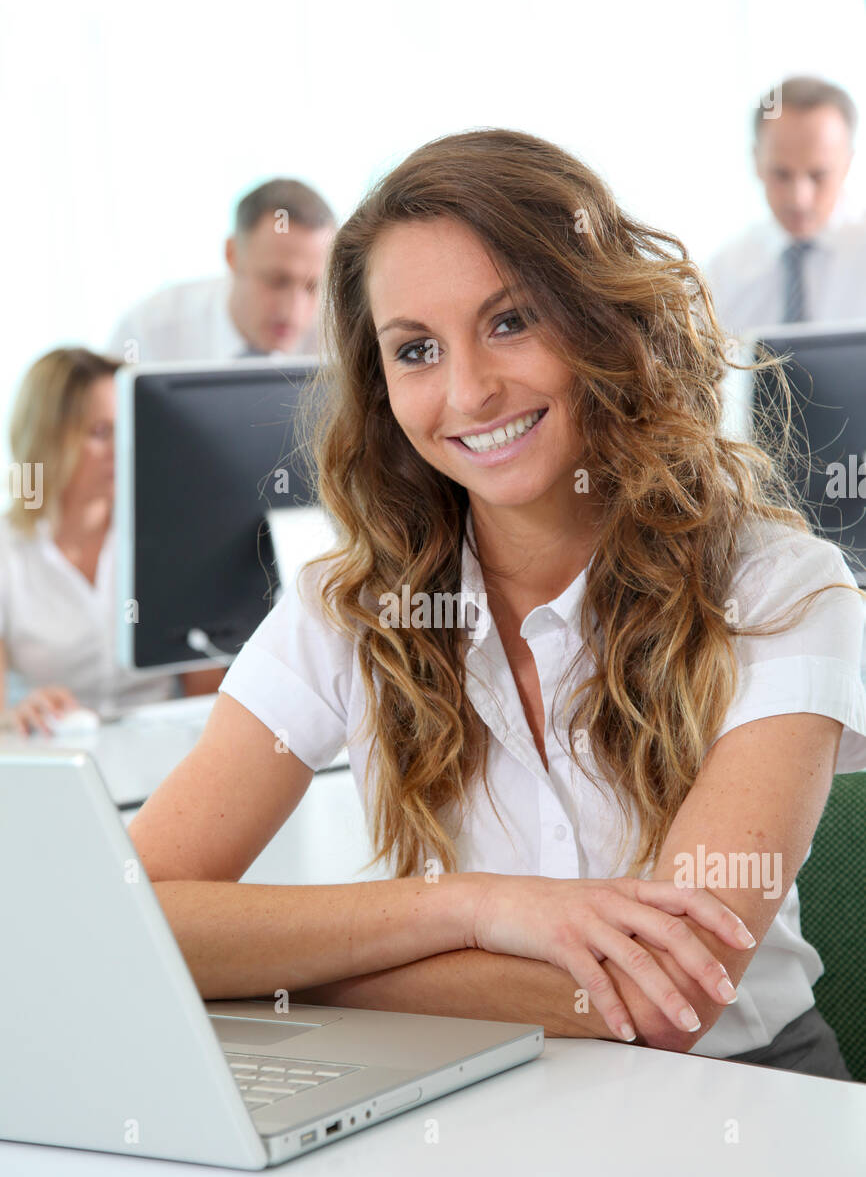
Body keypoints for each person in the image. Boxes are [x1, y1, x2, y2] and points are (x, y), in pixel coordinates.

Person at [127, 129, 866, 1082]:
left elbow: (662, 998)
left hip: (743, 1094)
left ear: (602, 319)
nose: (469, 390)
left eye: (512, 321)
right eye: (417, 349)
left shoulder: (778, 589)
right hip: (463, 1097)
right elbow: (132, 915)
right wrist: (470, 906)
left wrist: (280, 973)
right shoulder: (349, 606)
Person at [0, 348, 222, 734]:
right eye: (101, 433)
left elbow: (209, 699)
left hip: (162, 760)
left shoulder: (172, 540)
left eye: (128, 428)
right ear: (47, 440)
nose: (122, 448)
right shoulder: (10, 551)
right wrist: (15, 716)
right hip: (55, 753)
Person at [106, 179, 336, 364]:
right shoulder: (148, 334)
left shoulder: (341, 342)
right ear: (232, 254)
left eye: (313, 287)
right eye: (276, 281)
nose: (293, 311)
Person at [705, 76, 866, 335]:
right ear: (756, 161)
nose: (799, 199)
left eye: (818, 175)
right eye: (781, 174)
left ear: (847, 164)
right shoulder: (724, 273)